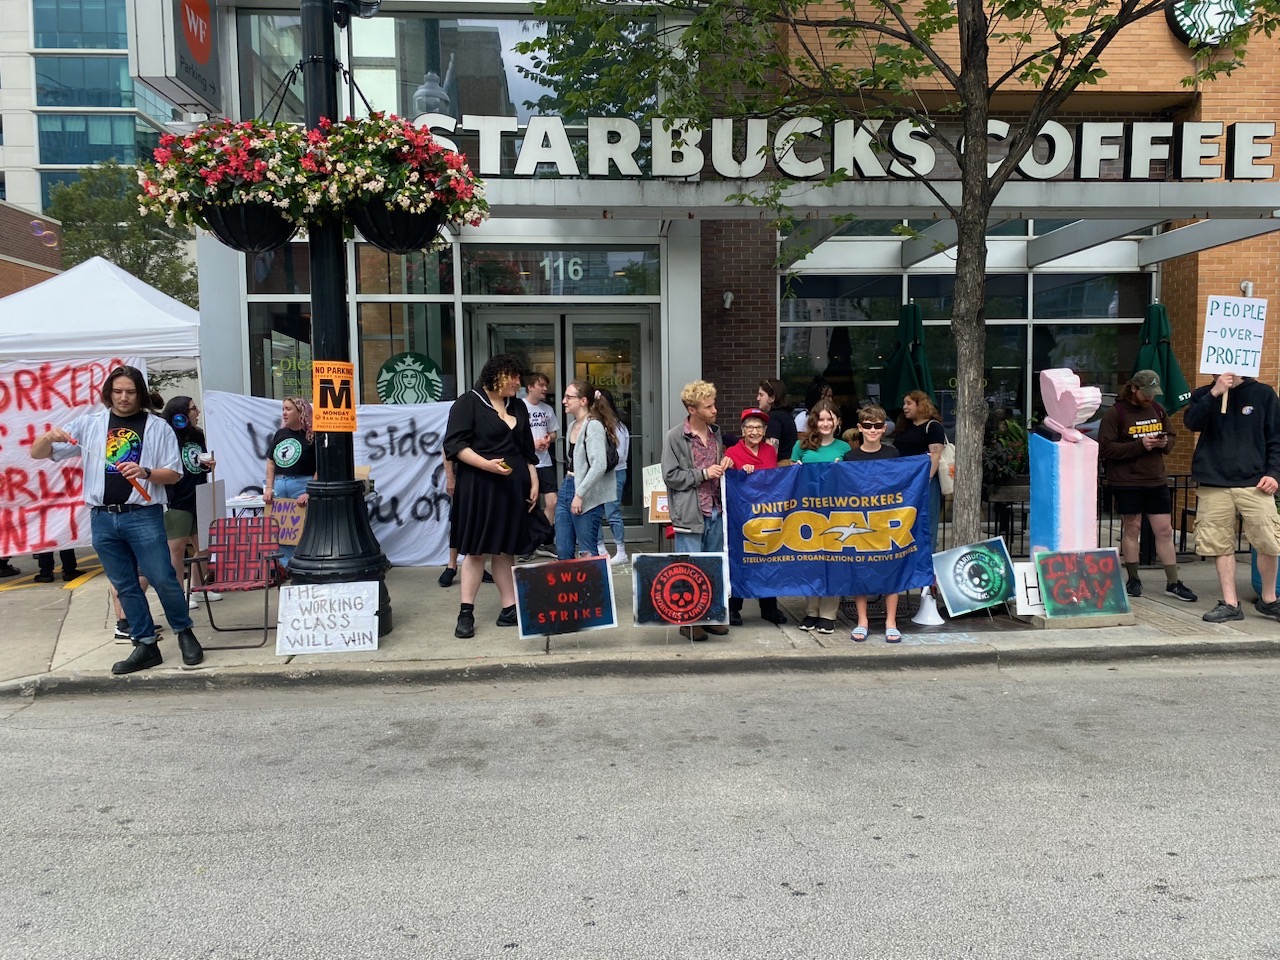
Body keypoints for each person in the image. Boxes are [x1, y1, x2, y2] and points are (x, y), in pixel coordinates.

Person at [28, 364, 202, 674]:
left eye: (131, 392)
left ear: (141, 394)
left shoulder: (157, 427)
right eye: (118, 391)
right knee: (124, 584)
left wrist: (146, 472)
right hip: (103, 518)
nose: (124, 397)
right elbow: (39, 453)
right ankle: (145, 643)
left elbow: (174, 474)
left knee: (162, 576)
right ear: (109, 393)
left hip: (143, 515)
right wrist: (48, 436)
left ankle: (184, 632)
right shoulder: (91, 424)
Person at [443, 354, 539, 639]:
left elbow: (526, 449)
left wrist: (533, 480)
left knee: (505, 548)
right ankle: (466, 613)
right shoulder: (468, 403)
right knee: (476, 551)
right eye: (514, 378)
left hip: (513, 487)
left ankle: (509, 609)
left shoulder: (518, 406)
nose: (519, 383)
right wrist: (487, 465)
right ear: (498, 376)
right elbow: (455, 444)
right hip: (480, 485)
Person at [1183, 371, 1280, 623]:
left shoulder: (1264, 394)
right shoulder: (1203, 394)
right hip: (1214, 481)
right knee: (1219, 543)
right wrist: (1215, 393)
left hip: (1255, 482)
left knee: (1268, 540)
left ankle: (1269, 600)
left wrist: (1274, 473)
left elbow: (1276, 437)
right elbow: (1191, 422)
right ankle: (1230, 603)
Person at [1098, 370, 1197, 602]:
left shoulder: (1159, 410)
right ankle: (1133, 578)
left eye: (1154, 393)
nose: (1151, 397)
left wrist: (1164, 443)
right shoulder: (1116, 413)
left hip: (1156, 480)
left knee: (1164, 530)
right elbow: (1106, 449)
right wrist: (1141, 444)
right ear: (1134, 388)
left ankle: (1173, 582)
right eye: (1147, 392)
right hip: (1127, 481)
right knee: (1132, 528)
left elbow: (1172, 437)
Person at [662, 380, 729, 641]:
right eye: (708, 406)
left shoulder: (716, 433)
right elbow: (670, 475)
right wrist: (703, 473)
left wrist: (723, 464)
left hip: (714, 508)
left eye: (714, 404)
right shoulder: (675, 436)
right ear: (692, 409)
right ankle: (688, 621)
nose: (714, 409)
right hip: (690, 511)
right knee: (688, 568)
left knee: (712, 566)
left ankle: (710, 616)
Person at [790, 398, 853, 635]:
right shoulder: (801, 446)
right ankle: (811, 611)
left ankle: (828, 614)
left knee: (833, 562)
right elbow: (788, 478)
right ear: (813, 422)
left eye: (830, 418)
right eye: (821, 419)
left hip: (835, 514)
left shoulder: (844, 449)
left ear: (837, 421)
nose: (825, 423)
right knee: (810, 561)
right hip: (806, 514)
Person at [844, 405, 903, 643]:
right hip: (859, 520)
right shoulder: (850, 457)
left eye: (878, 425)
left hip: (886, 520)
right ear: (860, 428)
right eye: (867, 425)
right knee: (860, 568)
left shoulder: (893, 453)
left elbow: (901, 484)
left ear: (884, 428)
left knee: (891, 567)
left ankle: (891, 621)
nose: (873, 430)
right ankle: (862, 620)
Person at [724, 407, 787, 627]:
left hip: (768, 515)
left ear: (765, 430)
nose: (754, 431)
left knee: (768, 560)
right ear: (742, 430)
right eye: (749, 427)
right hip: (742, 518)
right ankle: (734, 609)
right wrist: (739, 471)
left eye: (759, 427)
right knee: (740, 560)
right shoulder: (732, 452)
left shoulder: (770, 451)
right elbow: (726, 478)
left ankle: (769, 608)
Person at [160, 396, 223, 608]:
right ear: (180, 415)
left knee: (205, 545)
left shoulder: (197, 435)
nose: (197, 412)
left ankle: (197, 588)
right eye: (193, 409)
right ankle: (179, 595)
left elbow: (198, 461)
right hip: (177, 498)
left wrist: (208, 465)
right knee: (176, 549)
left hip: (200, 494)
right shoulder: (168, 436)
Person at [555, 381, 617, 561]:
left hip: (585, 492)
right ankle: (567, 588)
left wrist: (580, 494)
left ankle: (592, 589)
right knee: (563, 548)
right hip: (568, 485)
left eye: (569, 397)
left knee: (587, 551)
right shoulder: (573, 425)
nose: (564, 401)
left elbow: (599, 465)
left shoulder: (593, 426)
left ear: (583, 401)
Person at [262, 396, 316, 569]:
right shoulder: (281, 434)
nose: (284, 413)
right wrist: (269, 488)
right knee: (281, 530)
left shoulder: (312, 435)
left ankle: (304, 565)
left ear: (301, 412)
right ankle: (287, 568)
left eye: (288, 409)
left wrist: (310, 492)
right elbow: (271, 462)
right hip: (280, 484)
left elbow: (321, 466)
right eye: (283, 409)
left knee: (302, 528)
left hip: (302, 484)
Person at [894, 390, 946, 550]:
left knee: (927, 523)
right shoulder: (906, 427)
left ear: (920, 404)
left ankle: (928, 560)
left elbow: (935, 456)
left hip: (925, 483)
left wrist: (926, 479)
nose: (905, 407)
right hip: (905, 482)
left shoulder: (933, 427)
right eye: (904, 403)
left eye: (909, 403)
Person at [522, 371, 560, 558]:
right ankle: (529, 544)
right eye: (541, 385)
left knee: (552, 502)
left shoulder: (547, 409)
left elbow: (553, 433)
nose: (545, 389)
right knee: (530, 505)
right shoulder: (519, 407)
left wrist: (548, 439)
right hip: (527, 464)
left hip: (545, 462)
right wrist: (532, 444)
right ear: (530, 387)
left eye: (546, 385)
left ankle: (543, 542)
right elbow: (512, 437)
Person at [595, 387, 630, 565]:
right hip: (602, 473)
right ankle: (600, 547)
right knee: (597, 511)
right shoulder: (598, 424)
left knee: (612, 511)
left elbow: (621, 454)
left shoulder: (618, 426)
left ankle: (620, 550)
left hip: (614, 473)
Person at [757, 378, 796, 466]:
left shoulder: (773, 418)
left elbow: (771, 451)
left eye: (761, 395)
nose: (758, 398)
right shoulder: (787, 415)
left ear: (772, 398)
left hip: (779, 468)